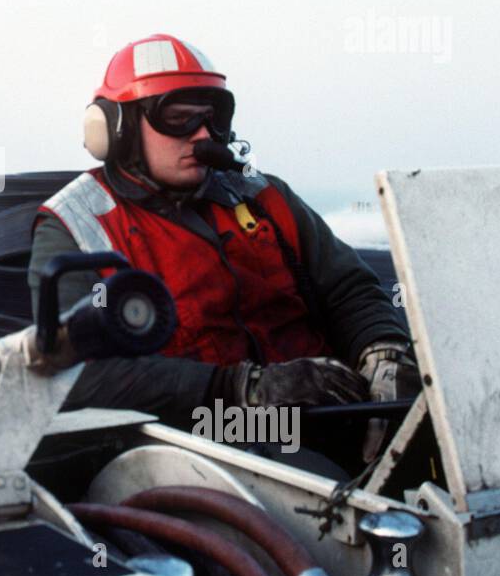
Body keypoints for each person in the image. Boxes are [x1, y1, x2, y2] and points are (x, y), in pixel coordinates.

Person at [27, 34, 418, 459]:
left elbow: (347, 287)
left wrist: (383, 349)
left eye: (211, 120)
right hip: (199, 440)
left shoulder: (262, 195)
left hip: (332, 411)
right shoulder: (75, 223)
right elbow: (76, 374)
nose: (202, 136)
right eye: (178, 118)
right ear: (116, 129)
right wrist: (240, 389)